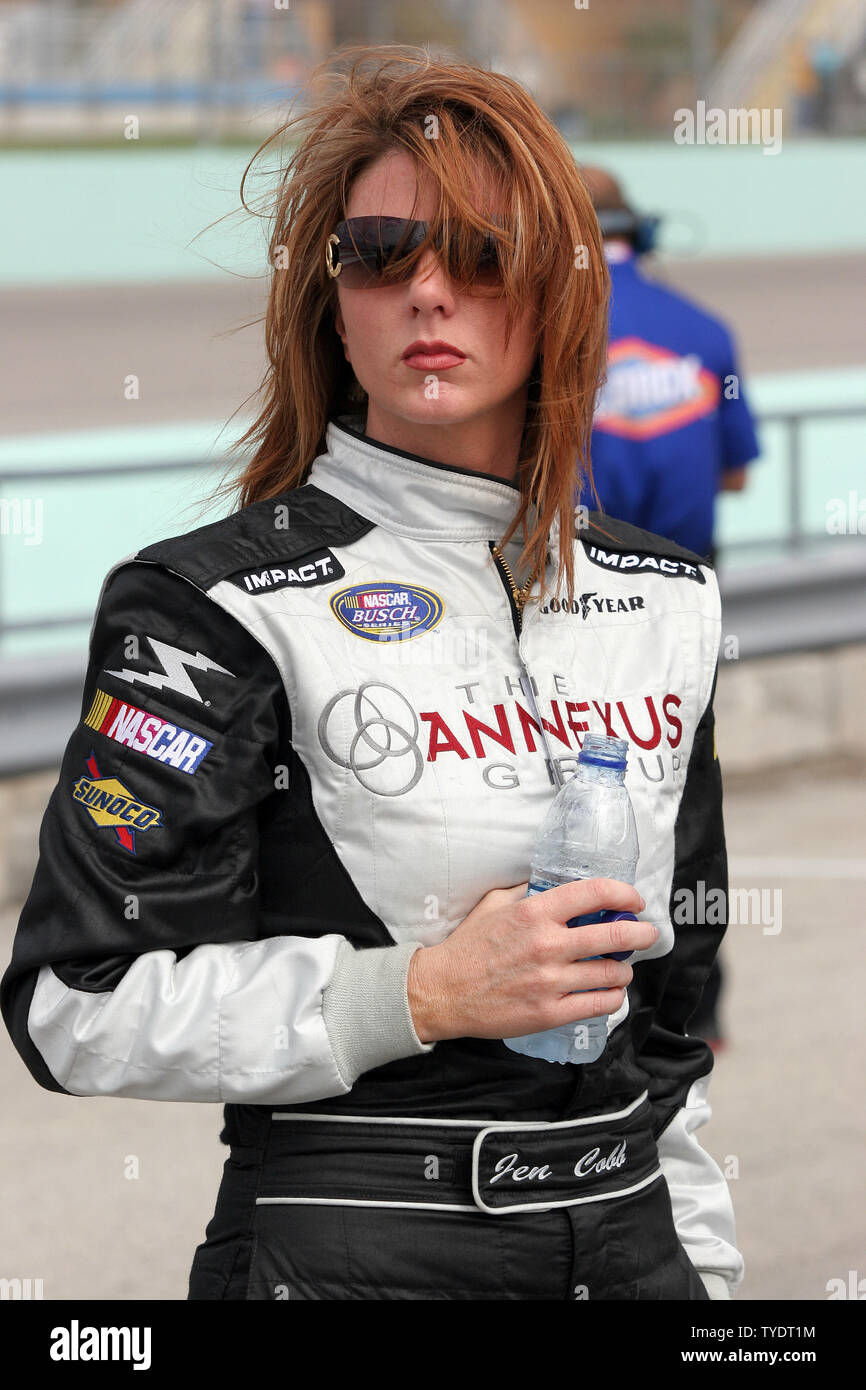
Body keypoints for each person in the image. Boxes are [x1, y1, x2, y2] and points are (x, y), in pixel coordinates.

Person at [1, 48, 743, 1302]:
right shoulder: (209, 605)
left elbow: (664, 1007)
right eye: (381, 253)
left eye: (480, 251)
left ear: (560, 289)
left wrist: (707, 1269)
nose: (428, 292)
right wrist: (416, 991)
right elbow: (75, 1005)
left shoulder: (667, 596)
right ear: (333, 301)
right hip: (351, 1248)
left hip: (630, 1243)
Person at [577, 168, 761, 1052]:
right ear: (640, 235)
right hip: (688, 596)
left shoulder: (542, 328)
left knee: (570, 797)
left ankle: (583, 995)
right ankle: (698, 1011)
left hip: (567, 591)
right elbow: (734, 471)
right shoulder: (705, 329)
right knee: (686, 800)